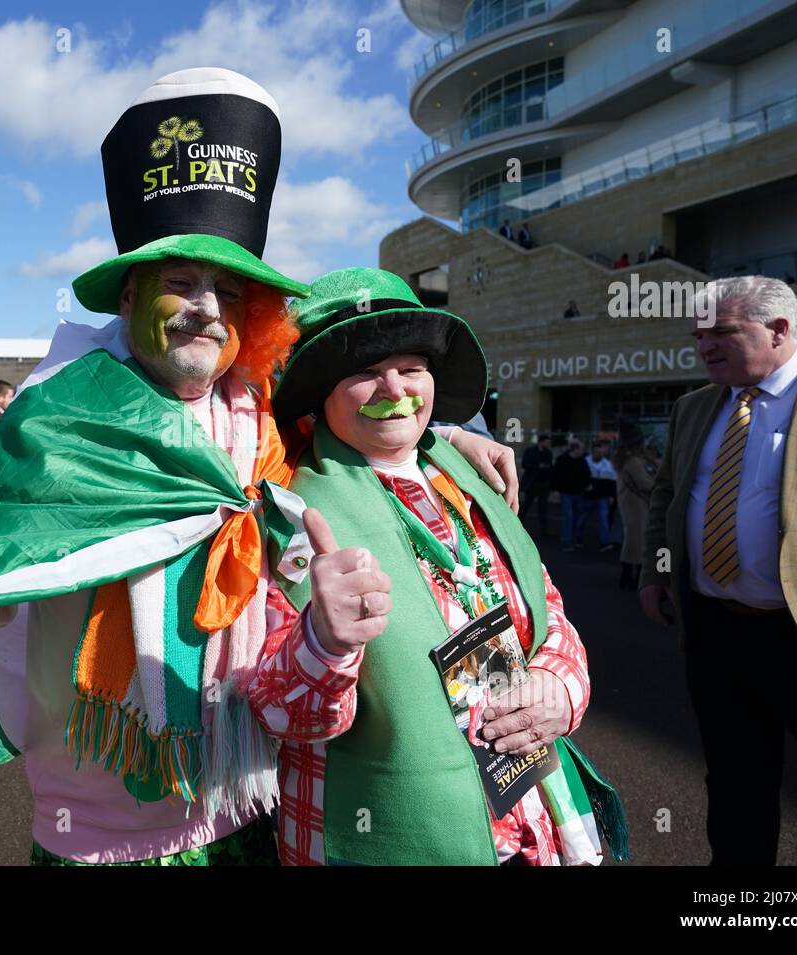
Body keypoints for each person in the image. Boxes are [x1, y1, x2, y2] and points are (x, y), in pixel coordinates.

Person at [0, 68, 520, 866]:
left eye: (229, 293)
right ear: (130, 292)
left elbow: (363, 419)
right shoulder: (62, 416)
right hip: (104, 833)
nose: (208, 306)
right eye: (181, 283)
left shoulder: (264, 416)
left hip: (250, 801)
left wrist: (445, 441)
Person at [249, 267, 625, 865]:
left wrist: (559, 687)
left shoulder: (471, 481)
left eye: (411, 368)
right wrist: (323, 642)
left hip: (531, 816)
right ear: (320, 393)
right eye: (365, 372)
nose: (394, 388)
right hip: (386, 835)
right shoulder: (286, 512)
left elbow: (547, 610)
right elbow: (278, 712)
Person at [639, 275, 797, 865]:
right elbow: (665, 496)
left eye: (722, 333)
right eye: (699, 335)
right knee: (737, 793)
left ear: (780, 329)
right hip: (718, 634)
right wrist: (654, 573)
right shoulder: (694, 407)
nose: (705, 346)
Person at [613, 424, 655, 590]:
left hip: (630, 503)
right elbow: (645, 483)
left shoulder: (625, 460)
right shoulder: (634, 462)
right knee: (639, 540)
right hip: (638, 505)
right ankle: (635, 576)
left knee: (633, 538)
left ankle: (628, 575)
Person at [552, 437, 590, 551]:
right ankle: (566, 541)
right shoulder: (562, 460)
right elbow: (556, 475)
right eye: (581, 449)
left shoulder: (582, 461)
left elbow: (586, 474)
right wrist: (556, 489)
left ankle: (575, 538)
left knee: (578, 518)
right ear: (575, 449)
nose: (583, 451)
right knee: (568, 517)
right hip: (567, 493)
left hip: (579, 493)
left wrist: (586, 485)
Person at [583, 439, 617, 553]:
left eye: (600, 452)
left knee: (603, 520)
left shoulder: (607, 465)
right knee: (581, 519)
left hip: (602, 496)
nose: (598, 454)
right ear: (592, 452)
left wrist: (612, 495)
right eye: (596, 452)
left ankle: (604, 542)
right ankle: (577, 537)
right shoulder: (586, 462)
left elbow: (612, 481)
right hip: (588, 496)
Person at [519, 433, 553, 536]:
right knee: (526, 506)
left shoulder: (548, 452)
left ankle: (545, 532)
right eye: (546, 442)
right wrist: (538, 466)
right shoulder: (530, 451)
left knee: (543, 509)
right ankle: (517, 526)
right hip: (532, 483)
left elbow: (550, 466)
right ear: (541, 442)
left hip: (543, 484)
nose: (548, 444)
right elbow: (524, 464)